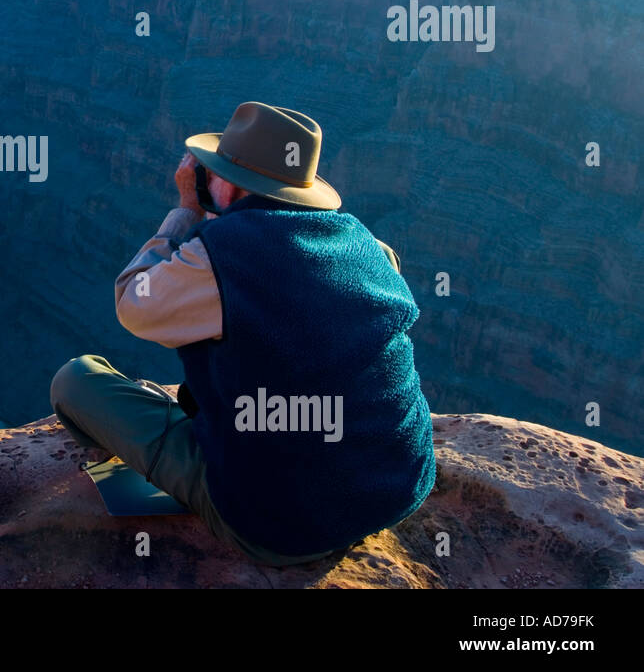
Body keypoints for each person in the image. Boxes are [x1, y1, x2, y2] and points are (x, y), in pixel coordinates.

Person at [50, 101, 436, 566]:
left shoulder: (219, 259)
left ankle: (155, 486)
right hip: (395, 489)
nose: (206, 178)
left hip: (277, 526)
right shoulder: (367, 247)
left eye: (212, 172)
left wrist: (186, 211)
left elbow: (134, 302)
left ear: (228, 185)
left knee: (76, 380)